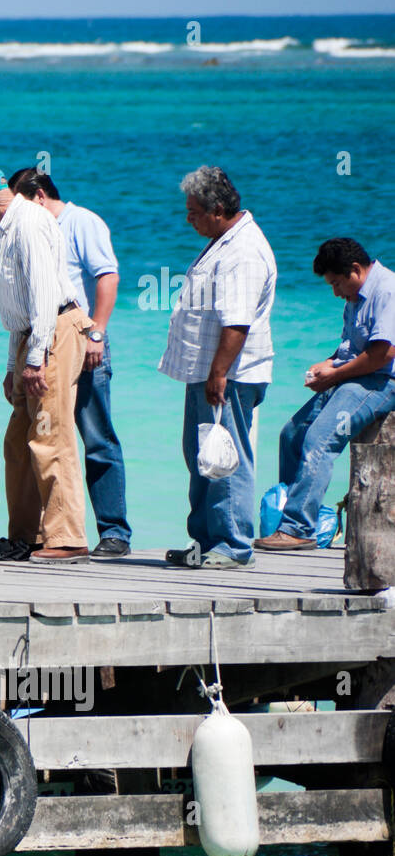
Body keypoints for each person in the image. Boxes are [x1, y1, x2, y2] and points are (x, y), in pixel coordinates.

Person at [0, 166, 94, 563]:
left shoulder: (29, 222)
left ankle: (67, 537)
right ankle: (28, 535)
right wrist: (14, 365)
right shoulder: (7, 229)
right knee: (17, 441)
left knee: (51, 435)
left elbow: (44, 294)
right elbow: (20, 306)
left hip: (53, 331)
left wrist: (35, 359)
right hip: (32, 335)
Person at [8, 169, 132, 558]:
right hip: (49, 345)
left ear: (39, 195)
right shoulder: (35, 227)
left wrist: (98, 332)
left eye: (19, 203)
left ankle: (114, 532)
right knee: (47, 435)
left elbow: (107, 276)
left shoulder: (81, 222)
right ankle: (48, 530)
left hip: (82, 338)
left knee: (97, 437)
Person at [159, 166, 275, 568]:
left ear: (218, 209)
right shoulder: (223, 240)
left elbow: (237, 322)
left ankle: (232, 544)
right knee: (202, 454)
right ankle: (204, 542)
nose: (188, 219)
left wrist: (218, 374)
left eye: (193, 212)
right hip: (208, 370)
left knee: (226, 456)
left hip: (230, 374)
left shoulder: (242, 252)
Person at [256, 238, 395, 551]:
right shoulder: (355, 295)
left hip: (382, 382)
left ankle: (298, 528)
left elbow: (382, 354)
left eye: (336, 283)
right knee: (292, 435)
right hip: (356, 375)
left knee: (320, 439)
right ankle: (291, 515)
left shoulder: (388, 291)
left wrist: (336, 374)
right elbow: (350, 347)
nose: (334, 292)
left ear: (355, 270)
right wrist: (328, 364)